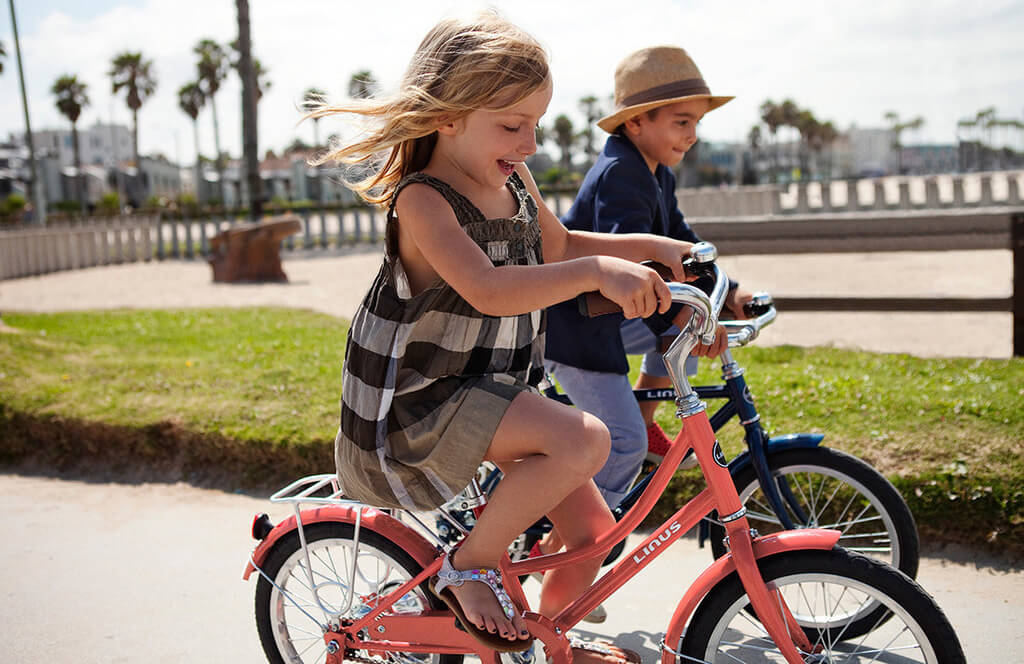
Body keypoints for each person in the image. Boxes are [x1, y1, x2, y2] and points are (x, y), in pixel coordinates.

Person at [317, 14, 698, 662]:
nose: (528, 144)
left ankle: (554, 645)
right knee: (587, 438)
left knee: (592, 539)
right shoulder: (424, 201)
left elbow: (565, 244)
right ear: (449, 116)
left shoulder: (511, 180)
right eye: (511, 125)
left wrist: (662, 249)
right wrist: (597, 274)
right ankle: (468, 565)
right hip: (423, 399)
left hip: (489, 387)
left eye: (536, 126)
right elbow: (488, 289)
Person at [545, 46, 755, 516]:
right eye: (682, 122)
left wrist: (730, 290)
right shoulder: (621, 174)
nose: (694, 135)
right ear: (636, 122)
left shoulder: (654, 174)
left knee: (687, 329)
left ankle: (644, 414)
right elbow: (637, 266)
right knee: (622, 444)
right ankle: (575, 538)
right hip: (574, 328)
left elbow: (682, 241)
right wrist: (686, 314)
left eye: (697, 123)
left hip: (609, 315)